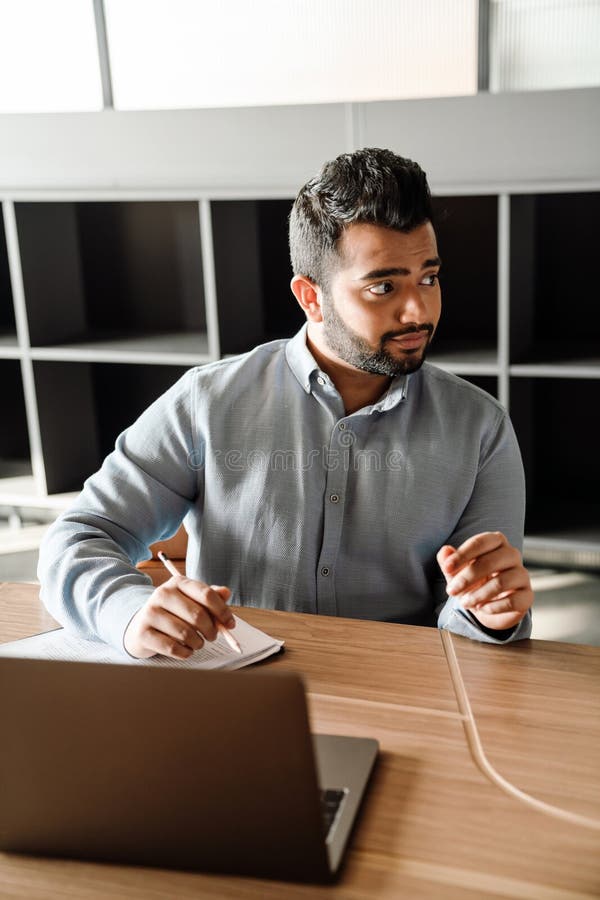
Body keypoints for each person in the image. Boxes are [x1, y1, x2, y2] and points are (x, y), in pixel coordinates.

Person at [38, 148, 533, 659]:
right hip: (236, 692)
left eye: (428, 278)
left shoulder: (482, 429)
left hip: (402, 693)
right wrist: (129, 610)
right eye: (384, 286)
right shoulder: (207, 402)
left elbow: (472, 616)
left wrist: (487, 611)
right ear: (310, 297)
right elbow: (77, 538)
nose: (419, 310)